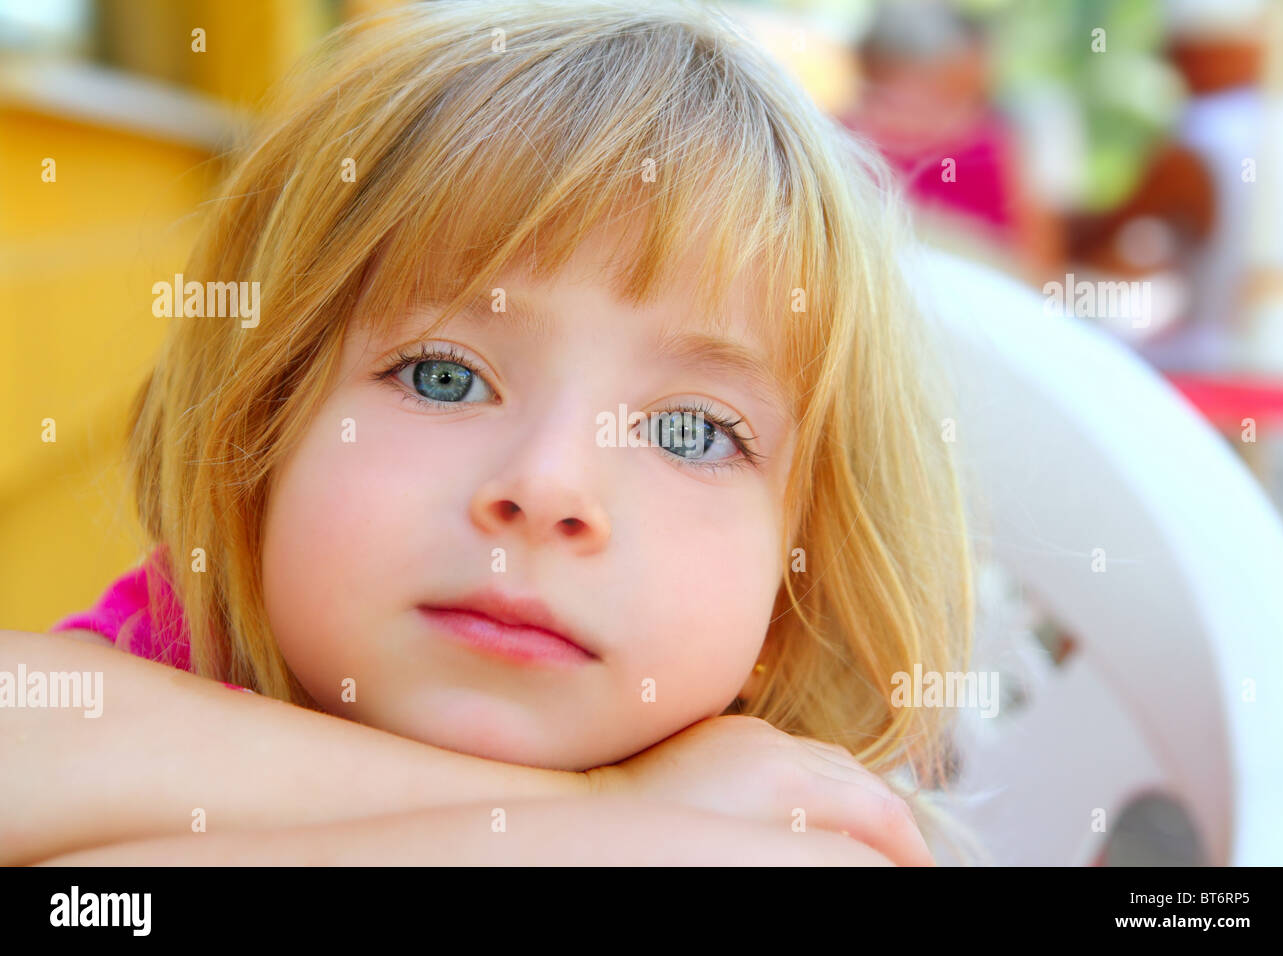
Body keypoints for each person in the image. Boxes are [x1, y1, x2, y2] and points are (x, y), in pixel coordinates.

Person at [5, 0, 980, 865]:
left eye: (690, 433)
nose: (549, 485)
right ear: (261, 429)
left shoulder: (797, 828)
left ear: (796, 594)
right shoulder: (168, 655)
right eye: (444, 376)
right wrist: (602, 815)